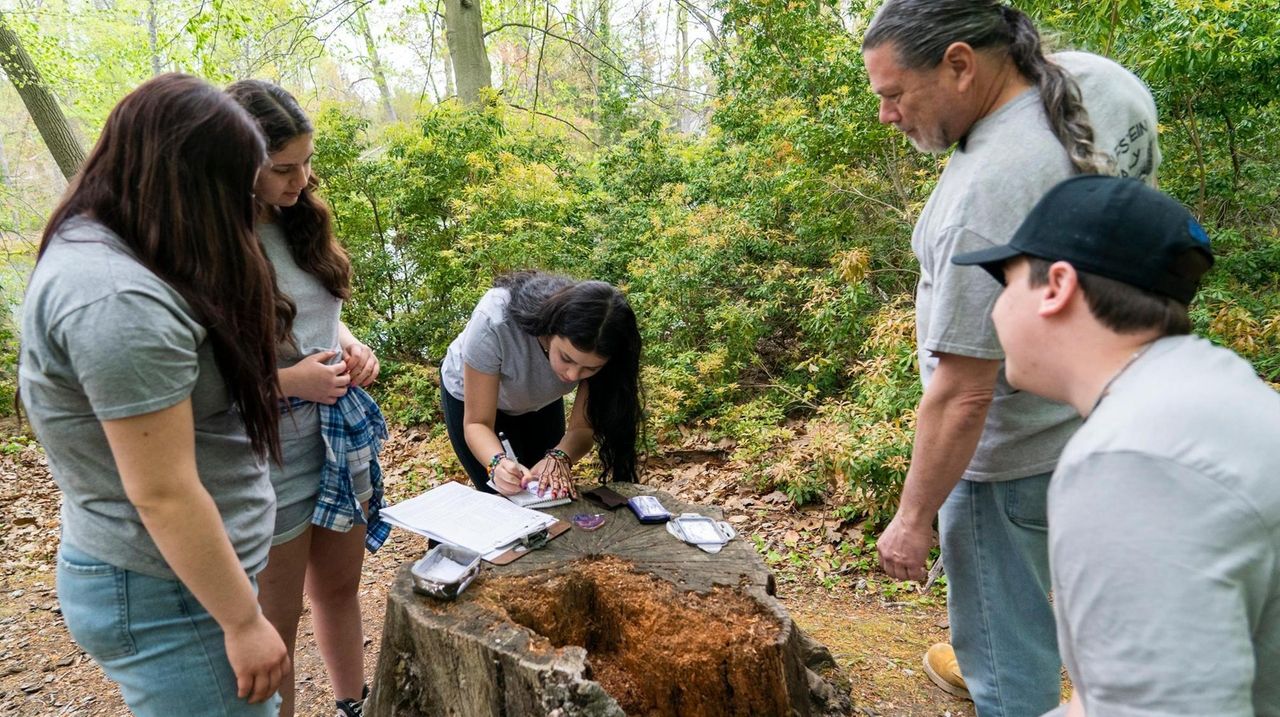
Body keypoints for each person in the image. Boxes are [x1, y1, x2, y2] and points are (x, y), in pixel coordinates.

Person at [859, 1, 1160, 713]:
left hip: (1011, 455)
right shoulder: (1096, 84)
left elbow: (964, 393)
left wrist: (912, 518)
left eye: (895, 94)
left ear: (961, 64)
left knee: (1005, 632)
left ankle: (1004, 676)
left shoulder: (986, 194)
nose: (886, 115)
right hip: (1104, 412)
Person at [952, 174, 1280, 716]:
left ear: (1056, 287)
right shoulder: (1211, 396)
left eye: (1005, 284)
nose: (995, 311)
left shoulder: (1133, 462)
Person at [20, 73, 289, 715]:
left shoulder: (127, 249)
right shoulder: (116, 300)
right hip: (170, 596)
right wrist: (244, 621)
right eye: (236, 189)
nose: (250, 209)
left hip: (184, 586)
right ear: (186, 181)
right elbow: (162, 491)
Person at [227, 79, 389, 717]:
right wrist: (293, 382)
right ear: (240, 167)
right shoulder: (215, 243)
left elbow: (319, 314)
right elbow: (205, 383)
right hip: (271, 454)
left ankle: (352, 706)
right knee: (279, 618)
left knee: (341, 588)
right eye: (283, 168)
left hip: (337, 441)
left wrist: (352, 346)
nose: (301, 179)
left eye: (306, 163)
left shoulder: (299, 218)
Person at [439, 271, 643, 498]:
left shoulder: (605, 348)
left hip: (541, 400)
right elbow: (477, 424)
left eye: (590, 369)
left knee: (545, 489)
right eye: (566, 358)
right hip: (472, 400)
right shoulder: (494, 321)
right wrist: (497, 463)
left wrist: (560, 457)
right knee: (505, 495)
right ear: (550, 329)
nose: (573, 375)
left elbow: (582, 428)